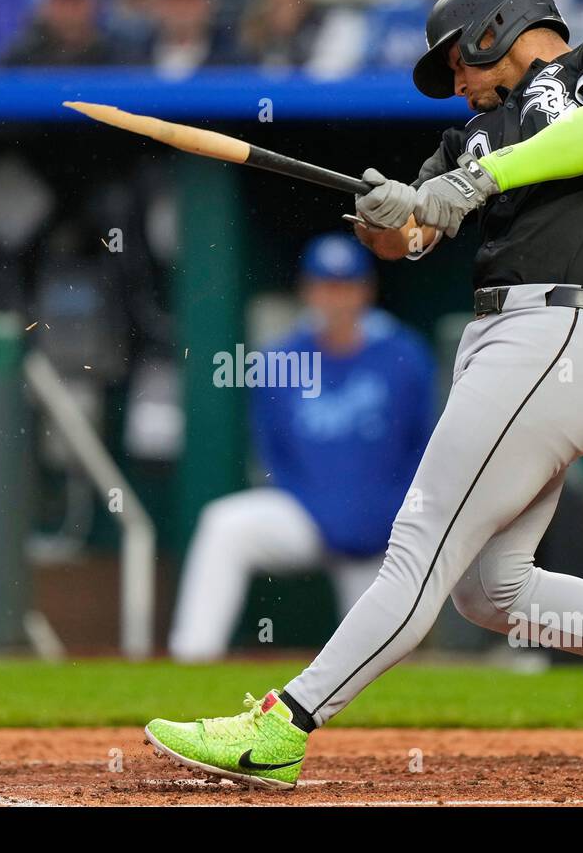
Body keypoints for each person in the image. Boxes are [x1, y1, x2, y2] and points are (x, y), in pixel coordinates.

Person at [145, 0, 583, 788]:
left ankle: (285, 727)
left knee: (418, 547)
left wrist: (475, 181)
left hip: (566, 332)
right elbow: (413, 231)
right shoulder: (467, 137)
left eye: (457, 61)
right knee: (491, 589)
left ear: (498, 25)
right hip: (503, 338)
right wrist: (388, 220)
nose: (456, 83)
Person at [168, 235, 436, 662]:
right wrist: (326, 513)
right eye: (325, 286)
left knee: (381, 667)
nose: (336, 298)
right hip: (309, 517)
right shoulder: (282, 357)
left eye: (346, 285)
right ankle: (191, 662)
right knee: (225, 525)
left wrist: (389, 518)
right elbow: (274, 459)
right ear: (308, 291)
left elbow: (426, 450)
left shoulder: (404, 354)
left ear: (366, 290)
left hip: (384, 530)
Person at [1, 0, 114, 66]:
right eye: (61, 2)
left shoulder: (114, 53)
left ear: (93, 4)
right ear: (44, 6)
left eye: (75, 1)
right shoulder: (21, 57)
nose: (68, 11)